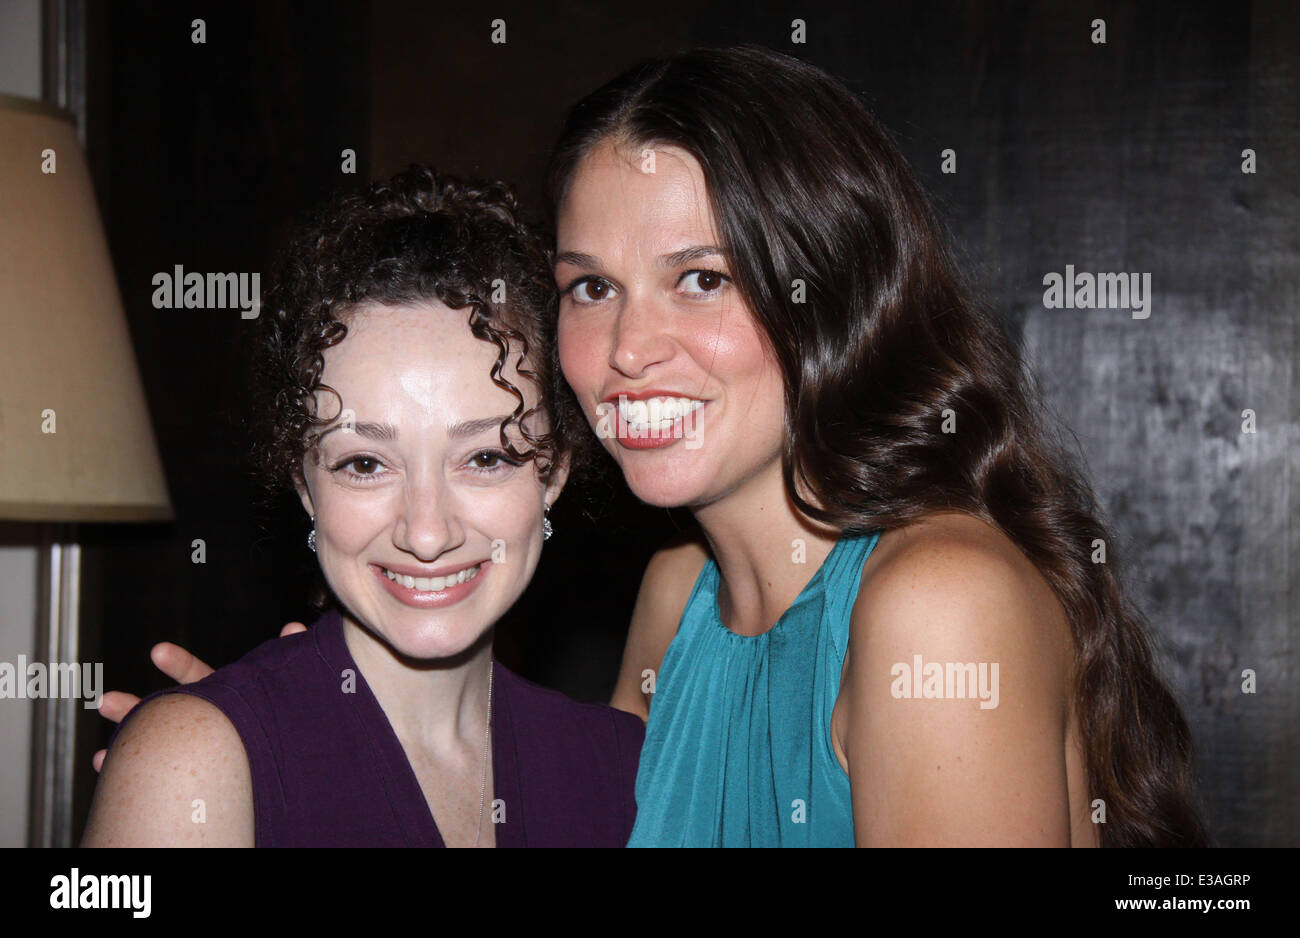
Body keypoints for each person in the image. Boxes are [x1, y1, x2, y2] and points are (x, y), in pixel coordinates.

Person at [99, 46, 1208, 847]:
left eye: (700, 278)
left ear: (834, 295)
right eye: (590, 285)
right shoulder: (677, 604)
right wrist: (273, 739)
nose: (629, 347)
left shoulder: (933, 601)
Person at [82, 167, 643, 847]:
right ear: (303, 484)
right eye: (365, 463)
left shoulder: (624, 769)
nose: (428, 532)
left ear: (552, 474)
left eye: (487, 457)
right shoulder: (195, 761)